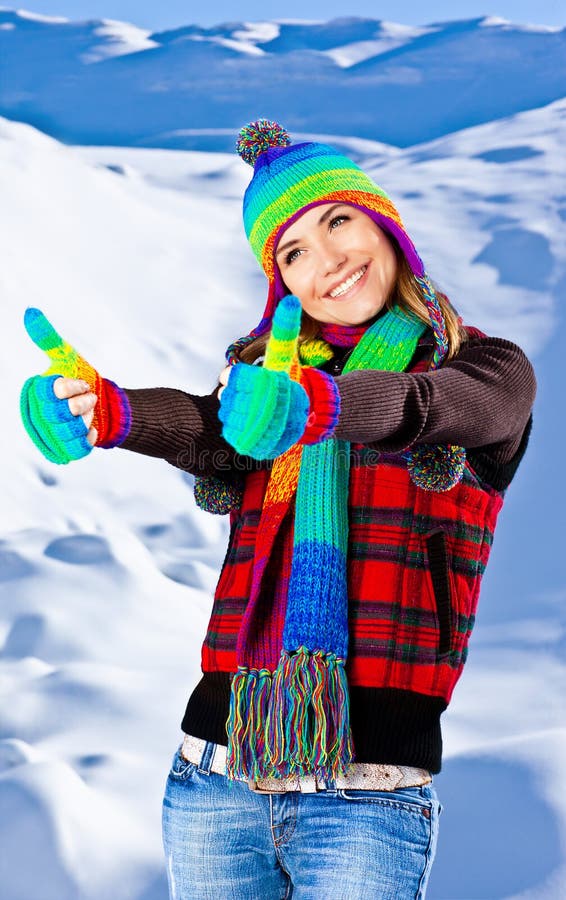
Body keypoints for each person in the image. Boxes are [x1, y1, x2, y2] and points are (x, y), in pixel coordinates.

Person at [20, 119, 536, 899]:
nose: (325, 262)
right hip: (213, 778)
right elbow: (209, 428)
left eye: (337, 221)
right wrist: (109, 412)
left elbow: (432, 405)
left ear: (384, 221)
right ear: (279, 282)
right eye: (291, 252)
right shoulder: (266, 387)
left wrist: (317, 405)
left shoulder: (486, 371)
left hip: (367, 799)